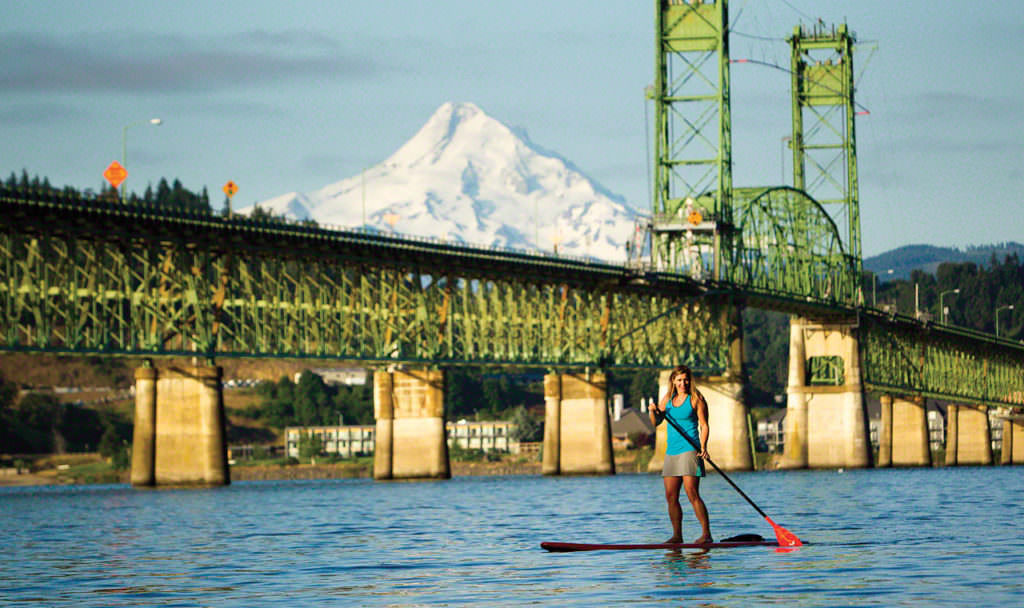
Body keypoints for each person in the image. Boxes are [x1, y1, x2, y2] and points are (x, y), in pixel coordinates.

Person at [649, 364, 712, 544]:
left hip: (690, 449)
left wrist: (703, 447)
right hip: (672, 451)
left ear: (689, 381)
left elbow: (704, 425)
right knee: (670, 495)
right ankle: (677, 536)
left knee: (691, 492)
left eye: (686, 380)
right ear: (673, 382)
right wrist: (652, 411)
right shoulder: (668, 398)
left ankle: (706, 534)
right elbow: (656, 422)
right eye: (679, 380)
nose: (683, 383)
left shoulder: (696, 399)